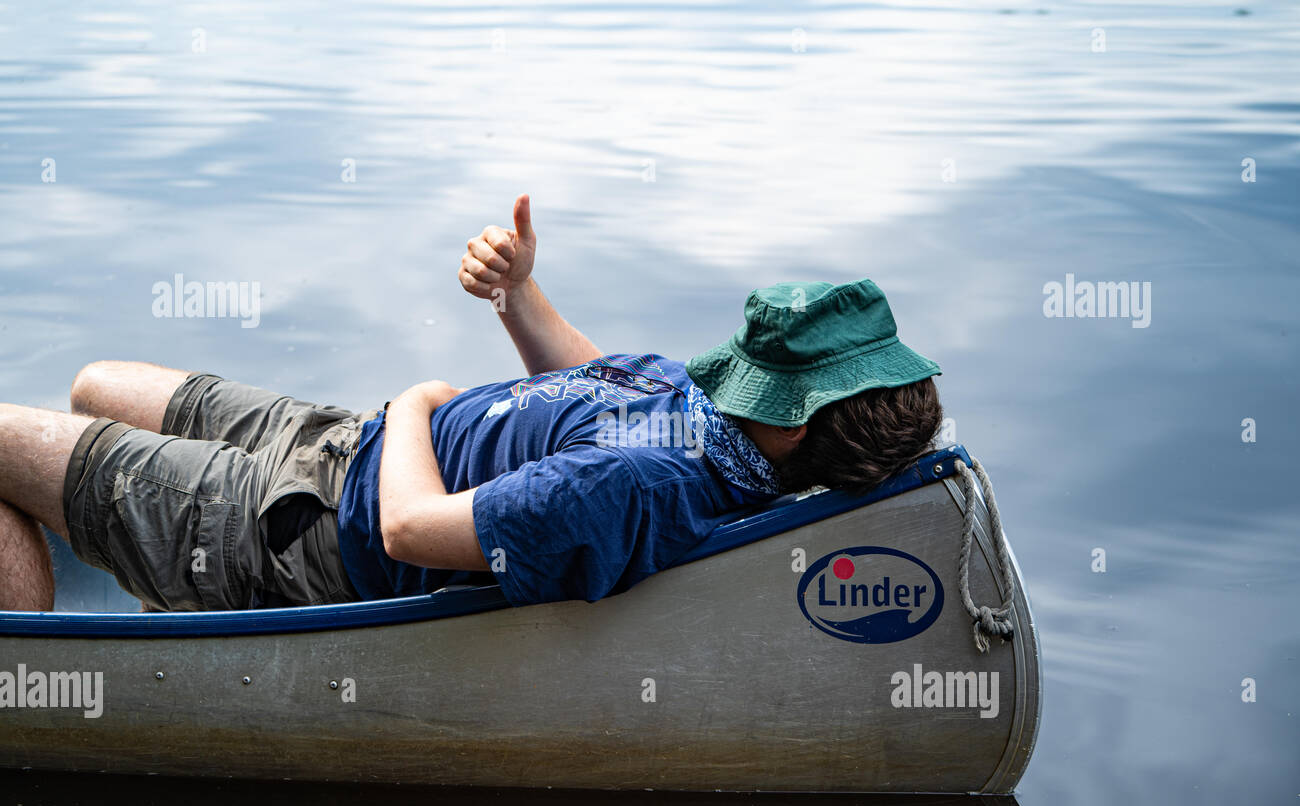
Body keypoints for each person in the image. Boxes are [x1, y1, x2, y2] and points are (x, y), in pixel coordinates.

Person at [0, 195, 943, 613]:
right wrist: (519, 293)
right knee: (93, 386)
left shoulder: (634, 488)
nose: (732, 375)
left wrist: (410, 406)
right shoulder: (718, 425)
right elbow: (591, 377)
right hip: (335, 441)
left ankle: (31, 673)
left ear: (795, 425)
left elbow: (410, 529)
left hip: (304, 528)